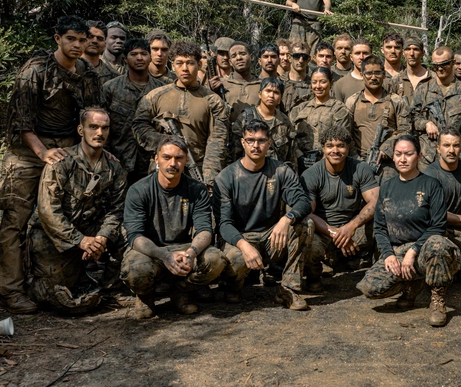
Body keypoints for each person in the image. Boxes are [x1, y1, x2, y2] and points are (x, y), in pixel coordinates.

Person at [0, 15, 102, 313]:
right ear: (58, 39)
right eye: (71, 39)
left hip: (68, 147)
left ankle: (59, 280)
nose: (78, 45)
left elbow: (92, 115)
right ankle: (11, 289)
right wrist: (42, 152)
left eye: (82, 40)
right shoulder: (36, 70)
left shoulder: (87, 73)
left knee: (68, 214)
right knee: (15, 220)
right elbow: (20, 121)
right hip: (29, 149)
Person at [27, 108, 126, 314]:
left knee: (127, 234)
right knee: (51, 294)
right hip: (56, 235)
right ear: (81, 130)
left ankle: (111, 288)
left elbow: (117, 210)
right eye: (93, 127)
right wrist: (80, 241)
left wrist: (101, 238)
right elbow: (48, 211)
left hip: (91, 231)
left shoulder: (114, 168)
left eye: (105, 128)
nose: (99, 133)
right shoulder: (61, 162)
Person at [356, 136, 460, 327]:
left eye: (408, 154)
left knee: (438, 245)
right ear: (393, 157)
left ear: (419, 156)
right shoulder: (387, 187)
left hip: (424, 250)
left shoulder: (431, 184)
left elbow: (438, 225)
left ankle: (438, 299)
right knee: (370, 288)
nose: (403, 159)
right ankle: (412, 283)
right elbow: (379, 227)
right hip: (397, 251)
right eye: (398, 154)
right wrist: (388, 255)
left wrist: (413, 251)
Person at [121, 136, 225, 318]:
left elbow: (205, 230)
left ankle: (182, 291)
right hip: (151, 250)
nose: (172, 163)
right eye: (167, 157)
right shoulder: (139, 190)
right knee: (134, 268)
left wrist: (191, 253)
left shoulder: (197, 189)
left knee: (216, 259)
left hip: (184, 248)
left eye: (179, 158)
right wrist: (164, 255)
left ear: (186, 161)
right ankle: (145, 296)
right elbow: (135, 236)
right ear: (156, 159)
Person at [213, 120, 312, 310]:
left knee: (305, 224)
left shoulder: (281, 170)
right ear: (243, 142)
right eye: (250, 140)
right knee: (235, 263)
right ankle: (233, 285)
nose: (256, 145)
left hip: (271, 237)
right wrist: (244, 246)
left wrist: (286, 219)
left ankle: (288, 289)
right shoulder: (226, 177)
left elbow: (303, 201)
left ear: (269, 143)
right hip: (242, 238)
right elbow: (224, 223)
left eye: (261, 141)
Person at [131, 40, 229, 186]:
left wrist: (209, 180)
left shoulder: (213, 101)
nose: (185, 68)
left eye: (190, 63)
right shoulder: (155, 96)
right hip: (161, 170)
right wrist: (164, 141)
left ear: (199, 65)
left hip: (197, 169)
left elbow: (217, 141)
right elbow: (139, 125)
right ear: (172, 66)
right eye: (179, 63)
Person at [302, 125, 379, 290]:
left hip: (353, 229)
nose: (335, 151)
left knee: (384, 217)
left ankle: (381, 274)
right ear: (323, 148)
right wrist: (336, 233)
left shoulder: (360, 168)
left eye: (341, 146)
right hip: (324, 230)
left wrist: (351, 226)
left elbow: (376, 201)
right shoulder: (311, 174)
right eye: (330, 146)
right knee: (305, 231)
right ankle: (313, 276)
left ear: (348, 148)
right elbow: (307, 213)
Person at [424, 128, 461, 284]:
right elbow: (431, 212)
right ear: (438, 148)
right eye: (446, 145)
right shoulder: (430, 174)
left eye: (456, 145)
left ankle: (458, 270)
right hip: (439, 231)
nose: (451, 150)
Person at [102, 39, 165, 183]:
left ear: (150, 57)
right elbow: (103, 124)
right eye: (134, 54)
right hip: (118, 159)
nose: (139, 58)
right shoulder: (110, 88)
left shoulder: (161, 90)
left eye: (144, 54)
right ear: (125, 59)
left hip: (151, 161)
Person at [345, 55, 409, 173]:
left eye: (377, 73)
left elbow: (405, 131)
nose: (373, 77)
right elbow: (346, 133)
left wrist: (387, 147)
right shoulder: (352, 102)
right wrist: (355, 157)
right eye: (369, 73)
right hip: (358, 162)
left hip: (389, 164)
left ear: (384, 74)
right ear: (362, 75)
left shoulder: (396, 101)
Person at [413, 46, 461, 165]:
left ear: (453, 63)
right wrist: (426, 123)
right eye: (435, 65)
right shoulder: (422, 90)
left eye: (444, 64)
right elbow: (413, 118)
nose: (440, 68)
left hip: (454, 157)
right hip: (427, 158)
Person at [290, 66, 353, 173]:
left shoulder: (339, 109)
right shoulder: (299, 109)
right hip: (300, 165)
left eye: (323, 82)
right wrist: (299, 156)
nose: (318, 86)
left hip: (328, 166)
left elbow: (340, 140)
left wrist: (321, 164)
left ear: (331, 83)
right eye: (314, 82)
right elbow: (291, 137)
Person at [231, 77, 295, 166]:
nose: (271, 95)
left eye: (276, 92)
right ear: (260, 94)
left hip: (277, 170)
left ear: (280, 98)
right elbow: (234, 152)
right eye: (268, 91)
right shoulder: (245, 118)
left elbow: (292, 154)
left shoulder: (284, 121)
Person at [222, 41, 260, 124]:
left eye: (243, 54)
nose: (239, 58)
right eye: (234, 56)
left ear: (252, 57)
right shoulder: (222, 85)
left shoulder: (262, 85)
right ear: (230, 62)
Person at [388, 36, 432, 100]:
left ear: (422, 53)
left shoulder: (433, 79)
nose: (411, 54)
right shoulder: (396, 81)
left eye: (416, 49)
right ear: (403, 52)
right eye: (408, 49)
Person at [332, 38, 372, 103]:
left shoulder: (382, 81)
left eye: (365, 53)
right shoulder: (340, 84)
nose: (361, 57)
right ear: (351, 57)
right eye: (357, 53)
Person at [282, 40, 313, 113]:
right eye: (297, 56)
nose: (301, 60)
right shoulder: (279, 82)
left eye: (304, 57)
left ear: (308, 59)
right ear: (289, 57)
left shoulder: (314, 85)